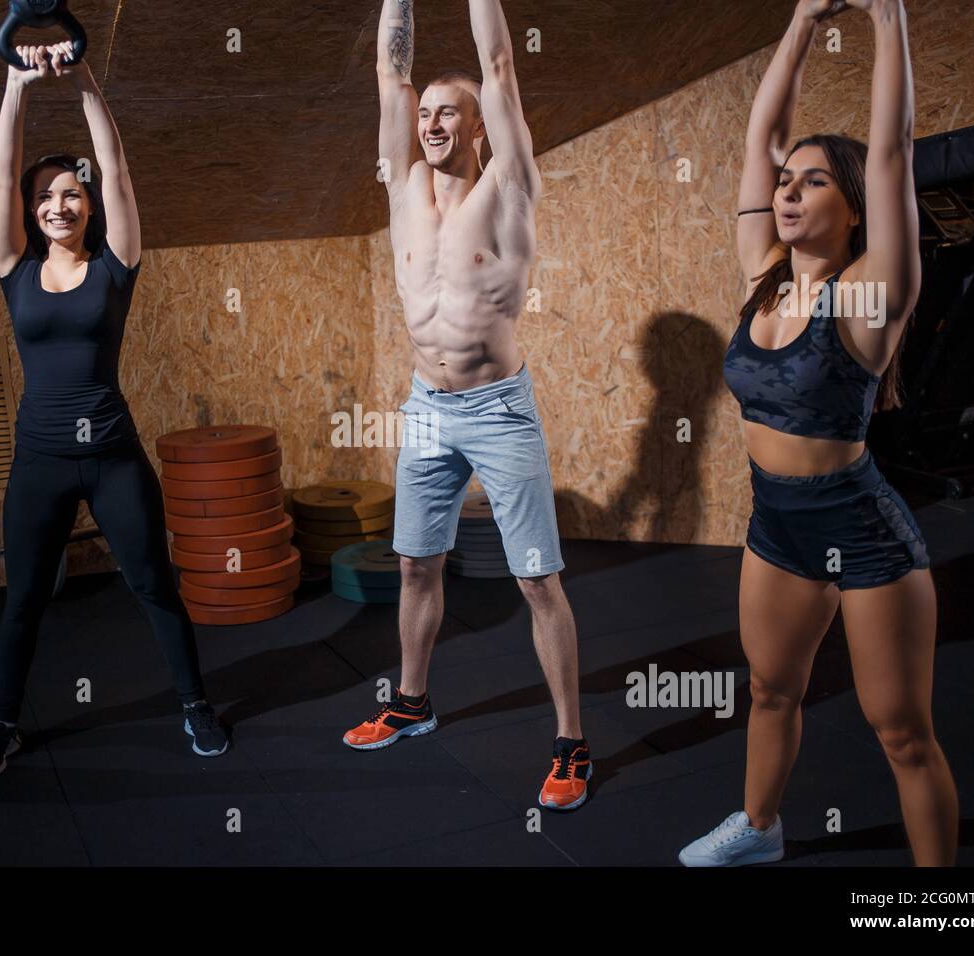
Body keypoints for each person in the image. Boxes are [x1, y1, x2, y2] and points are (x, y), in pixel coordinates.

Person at [680, 0, 957, 864]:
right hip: (776, 525)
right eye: (786, 183)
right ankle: (759, 831)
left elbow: (892, 153)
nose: (788, 192)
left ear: (857, 208)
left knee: (901, 733)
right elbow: (763, 139)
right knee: (769, 688)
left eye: (815, 182)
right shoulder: (763, 276)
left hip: (860, 530)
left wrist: (886, 17)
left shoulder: (872, 297)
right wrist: (800, 20)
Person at [342, 1, 590, 812]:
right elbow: (390, 70)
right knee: (416, 564)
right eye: (425, 114)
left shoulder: (511, 182)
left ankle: (570, 745)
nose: (432, 121)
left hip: (498, 410)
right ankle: (411, 704)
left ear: (482, 124)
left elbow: (502, 64)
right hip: (426, 407)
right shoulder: (403, 183)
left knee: (538, 583)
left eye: (450, 110)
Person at [0, 42, 227, 779]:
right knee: (24, 599)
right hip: (40, 462)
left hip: (113, 457)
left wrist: (84, 75)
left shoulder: (117, 267)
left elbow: (114, 167)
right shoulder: (13, 270)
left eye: (72, 194)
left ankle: (194, 704)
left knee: (153, 583)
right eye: (46, 195)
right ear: (31, 209)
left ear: (88, 205)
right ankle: (1, 722)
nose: (60, 203)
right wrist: (17, 85)